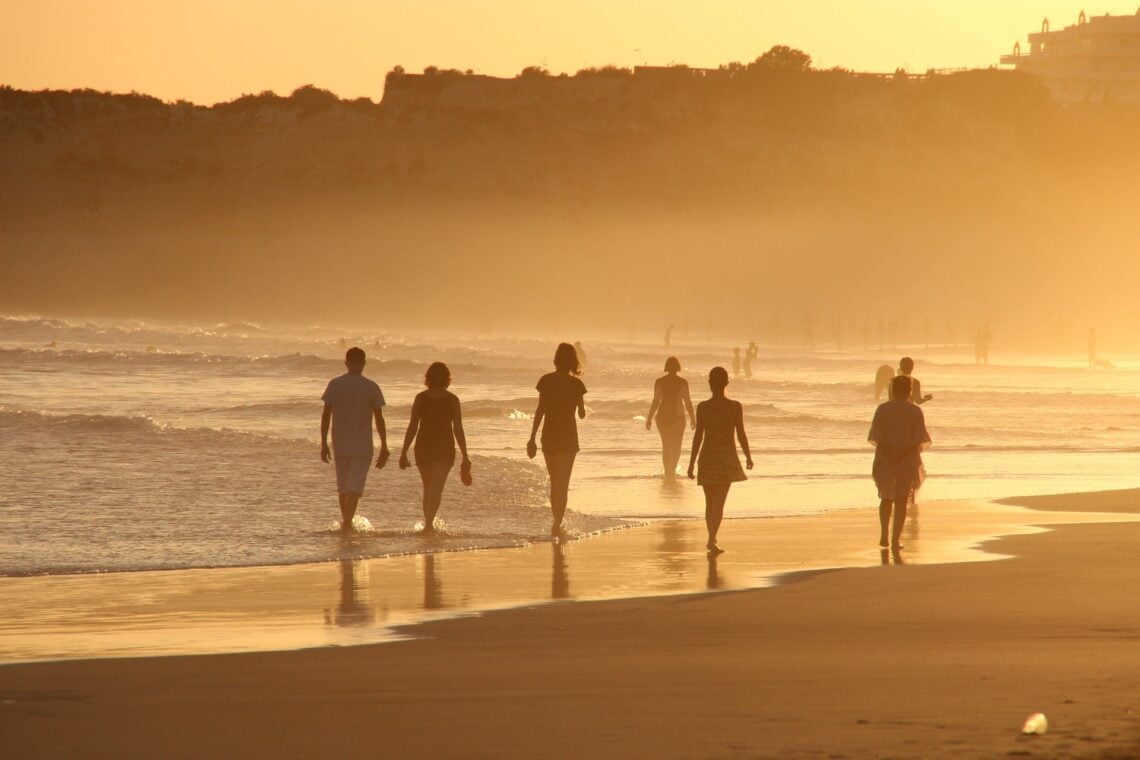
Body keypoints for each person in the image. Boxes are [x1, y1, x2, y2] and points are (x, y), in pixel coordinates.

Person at [320, 347, 389, 531]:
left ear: (346, 363)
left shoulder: (335, 384)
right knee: (354, 488)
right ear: (364, 363)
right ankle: (347, 525)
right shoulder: (371, 386)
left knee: (343, 487)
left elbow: (326, 415)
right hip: (362, 445)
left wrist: (323, 443)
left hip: (339, 443)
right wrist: (384, 445)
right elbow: (379, 418)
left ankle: (346, 524)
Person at [398, 362, 471, 533]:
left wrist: (404, 452)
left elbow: (412, 427)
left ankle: (428, 524)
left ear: (428, 378)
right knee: (435, 488)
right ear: (447, 379)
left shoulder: (421, 398)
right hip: (444, 447)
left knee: (428, 487)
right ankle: (429, 525)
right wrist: (465, 455)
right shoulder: (452, 400)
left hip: (423, 446)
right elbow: (458, 429)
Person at [688, 366, 753, 554]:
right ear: (726, 383)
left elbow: (698, 437)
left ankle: (712, 537)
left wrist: (692, 462)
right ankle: (711, 539)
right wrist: (748, 456)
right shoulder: (734, 407)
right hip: (726, 458)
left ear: (710, 384)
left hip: (707, 458)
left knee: (710, 503)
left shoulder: (703, 407)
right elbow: (741, 434)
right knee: (719, 502)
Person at [527, 343, 587, 537]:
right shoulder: (577, 384)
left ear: (556, 359)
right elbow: (582, 413)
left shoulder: (545, 381)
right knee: (563, 482)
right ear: (573, 361)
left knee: (554, 482)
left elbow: (540, 410)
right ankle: (558, 523)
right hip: (569, 437)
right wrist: (579, 406)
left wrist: (532, 438)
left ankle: (556, 521)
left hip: (549, 435)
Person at [868, 375, 931, 550]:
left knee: (886, 497)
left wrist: (890, 453)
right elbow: (919, 438)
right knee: (902, 500)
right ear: (909, 391)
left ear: (893, 390)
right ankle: (895, 540)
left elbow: (876, 436)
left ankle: (884, 536)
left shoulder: (882, 409)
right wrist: (902, 453)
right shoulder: (915, 411)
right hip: (907, 459)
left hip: (885, 458)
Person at [646, 356, 696, 479]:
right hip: (678, 418)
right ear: (678, 367)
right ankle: (672, 471)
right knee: (676, 446)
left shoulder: (659, 381)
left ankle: (668, 472)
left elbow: (656, 401)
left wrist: (649, 418)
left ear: (666, 367)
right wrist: (693, 417)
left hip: (662, 418)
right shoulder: (682, 382)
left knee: (666, 446)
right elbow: (688, 402)